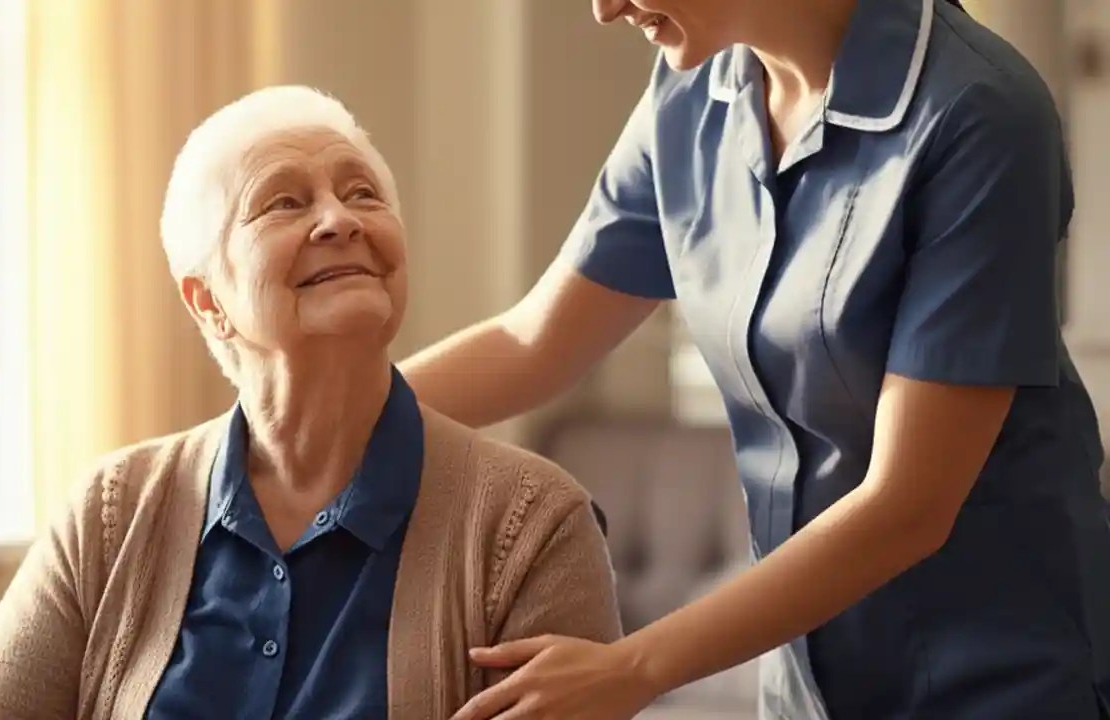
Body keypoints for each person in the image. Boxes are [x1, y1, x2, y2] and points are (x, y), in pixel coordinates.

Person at [401, 0, 1110, 718]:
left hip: (997, 685)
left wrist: (633, 668)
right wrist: (314, 413)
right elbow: (535, 343)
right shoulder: (689, 98)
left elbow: (909, 505)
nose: (603, 9)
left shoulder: (979, 113)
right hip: (806, 689)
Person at [0, 86, 621, 720]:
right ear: (208, 302)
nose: (339, 219)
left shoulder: (530, 526)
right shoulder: (112, 511)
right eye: (284, 202)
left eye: (362, 193)